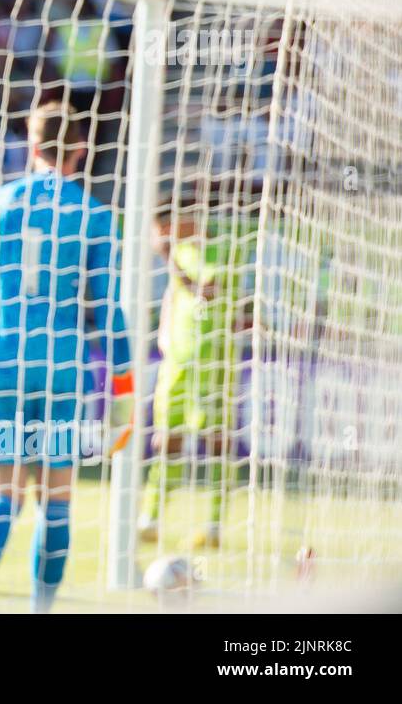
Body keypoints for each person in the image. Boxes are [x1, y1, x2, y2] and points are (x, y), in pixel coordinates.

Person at [0, 100, 133, 613]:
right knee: (56, 498)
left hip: (2, 360)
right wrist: (122, 381)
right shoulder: (94, 217)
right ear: (80, 150)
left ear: (31, 147)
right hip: (61, 367)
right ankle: (40, 607)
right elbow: (107, 309)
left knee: (3, 492)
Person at [139, 198, 252, 550]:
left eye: (165, 229)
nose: (164, 238)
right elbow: (176, 295)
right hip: (178, 362)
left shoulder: (223, 248)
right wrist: (164, 334)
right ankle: (151, 518)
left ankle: (214, 526)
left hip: (213, 362)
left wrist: (167, 257)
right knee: (165, 440)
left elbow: (205, 292)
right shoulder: (182, 253)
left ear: (183, 220)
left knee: (217, 443)